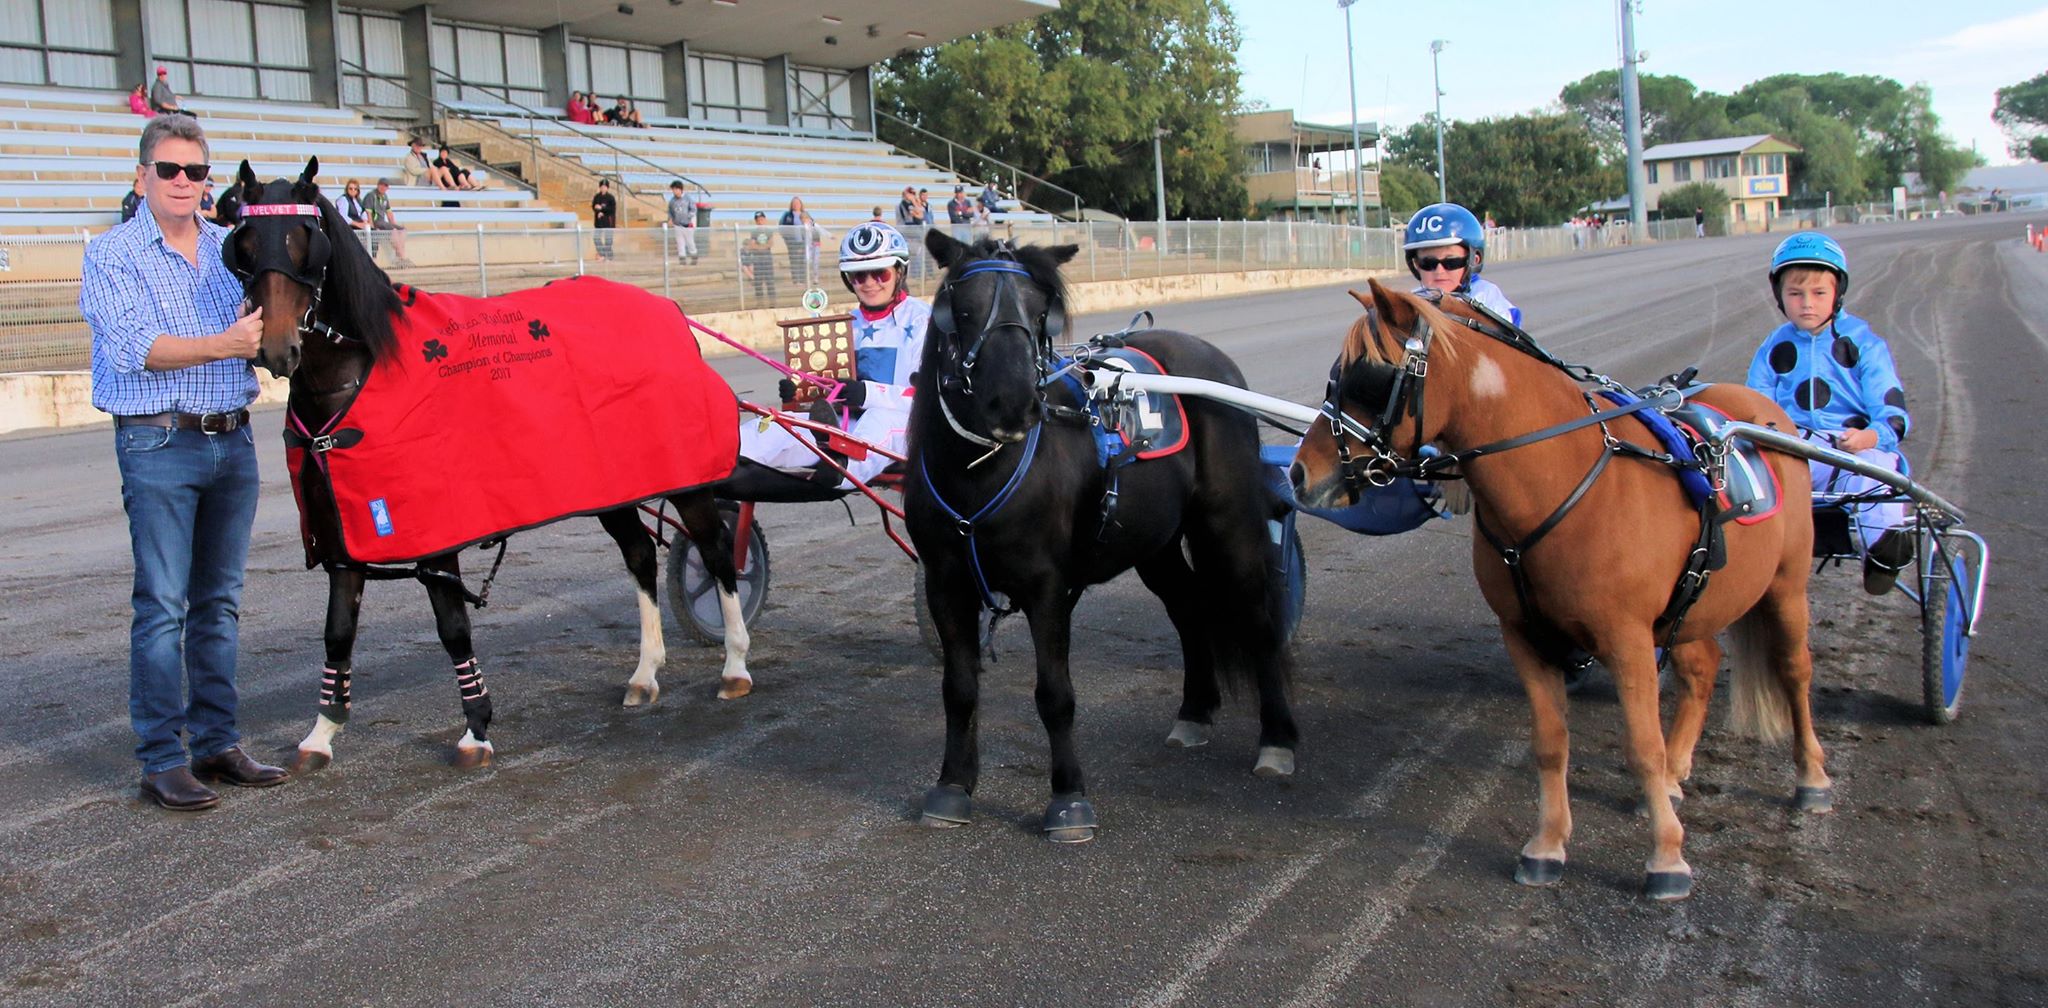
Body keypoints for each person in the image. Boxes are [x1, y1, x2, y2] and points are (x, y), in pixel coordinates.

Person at [79, 114, 292, 810]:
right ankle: (162, 758)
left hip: (232, 439)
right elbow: (133, 348)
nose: (181, 181)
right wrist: (225, 344)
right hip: (158, 442)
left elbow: (275, 321)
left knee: (219, 604)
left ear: (207, 180)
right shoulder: (112, 254)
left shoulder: (232, 247)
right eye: (168, 169)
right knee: (164, 606)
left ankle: (217, 742)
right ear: (142, 175)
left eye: (194, 171)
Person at [1745, 232, 1914, 594]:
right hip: (1794, 452)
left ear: (1838, 293)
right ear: (1779, 295)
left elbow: (1893, 415)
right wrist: (1769, 435)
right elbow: (1756, 406)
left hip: (1852, 452)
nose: (1807, 304)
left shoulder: (1864, 344)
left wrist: (1870, 437)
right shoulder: (1772, 348)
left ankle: (1884, 554)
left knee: (1875, 476)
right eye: (1795, 294)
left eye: (1819, 293)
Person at [736, 221, 932, 488]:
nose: (869, 283)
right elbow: (827, 393)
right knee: (777, 426)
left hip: (907, 427)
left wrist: (867, 394)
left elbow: (930, 398)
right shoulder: (843, 325)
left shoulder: (926, 322)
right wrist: (798, 396)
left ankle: (841, 469)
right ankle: (722, 461)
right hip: (846, 425)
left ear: (900, 271)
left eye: (880, 273)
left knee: (879, 419)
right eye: (858, 276)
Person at [1402, 201, 1520, 326]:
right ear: (1416, 265)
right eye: (1428, 263)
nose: (1439, 271)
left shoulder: (1486, 297)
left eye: (1451, 262)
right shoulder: (1412, 302)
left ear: (1474, 260)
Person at [362, 178, 415, 267]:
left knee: (402, 230)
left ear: (387, 188)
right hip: (376, 221)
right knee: (394, 231)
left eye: (385, 186)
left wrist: (393, 224)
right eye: (381, 185)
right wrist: (372, 227)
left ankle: (400, 254)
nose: (383, 187)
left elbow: (389, 213)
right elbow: (368, 213)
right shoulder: (371, 196)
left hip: (383, 222)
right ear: (378, 185)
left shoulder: (385, 197)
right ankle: (402, 257)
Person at [740, 211, 777, 302]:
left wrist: (760, 247)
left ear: (765, 220)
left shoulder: (769, 231)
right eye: (758, 220)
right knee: (758, 281)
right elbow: (752, 245)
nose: (760, 221)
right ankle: (760, 301)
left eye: (761, 219)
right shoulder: (754, 232)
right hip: (757, 259)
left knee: (770, 280)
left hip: (767, 258)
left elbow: (770, 243)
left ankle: (772, 301)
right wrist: (761, 247)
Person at [667, 180, 699, 264]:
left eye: (676, 189)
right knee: (680, 243)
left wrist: (688, 217)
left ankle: (694, 257)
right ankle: (682, 260)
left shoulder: (688, 199)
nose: (674, 191)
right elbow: (670, 211)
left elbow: (693, 209)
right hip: (677, 224)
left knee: (689, 242)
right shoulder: (672, 201)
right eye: (673, 190)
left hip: (688, 224)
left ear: (680, 189)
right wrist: (670, 219)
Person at [778, 196, 807, 283]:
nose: (796, 205)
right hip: (792, 242)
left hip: (803, 242)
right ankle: (796, 280)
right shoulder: (787, 215)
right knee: (794, 261)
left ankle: (803, 280)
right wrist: (787, 239)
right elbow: (782, 227)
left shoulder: (805, 214)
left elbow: (811, 225)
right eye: (794, 203)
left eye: (797, 203)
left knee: (802, 261)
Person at [590, 178, 617, 260]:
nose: (603, 188)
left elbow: (612, 210)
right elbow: (594, 206)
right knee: (596, 238)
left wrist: (602, 210)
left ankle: (609, 257)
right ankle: (602, 254)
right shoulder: (597, 197)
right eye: (601, 187)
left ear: (607, 188)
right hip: (599, 221)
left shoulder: (611, 198)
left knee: (608, 240)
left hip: (608, 221)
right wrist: (598, 211)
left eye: (605, 187)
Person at [801, 210, 826, 284]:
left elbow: (822, 231)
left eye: (804, 218)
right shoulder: (803, 227)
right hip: (808, 246)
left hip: (816, 245)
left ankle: (815, 278)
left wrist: (830, 236)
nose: (803, 220)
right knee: (807, 261)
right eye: (802, 219)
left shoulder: (815, 225)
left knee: (815, 262)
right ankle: (807, 278)